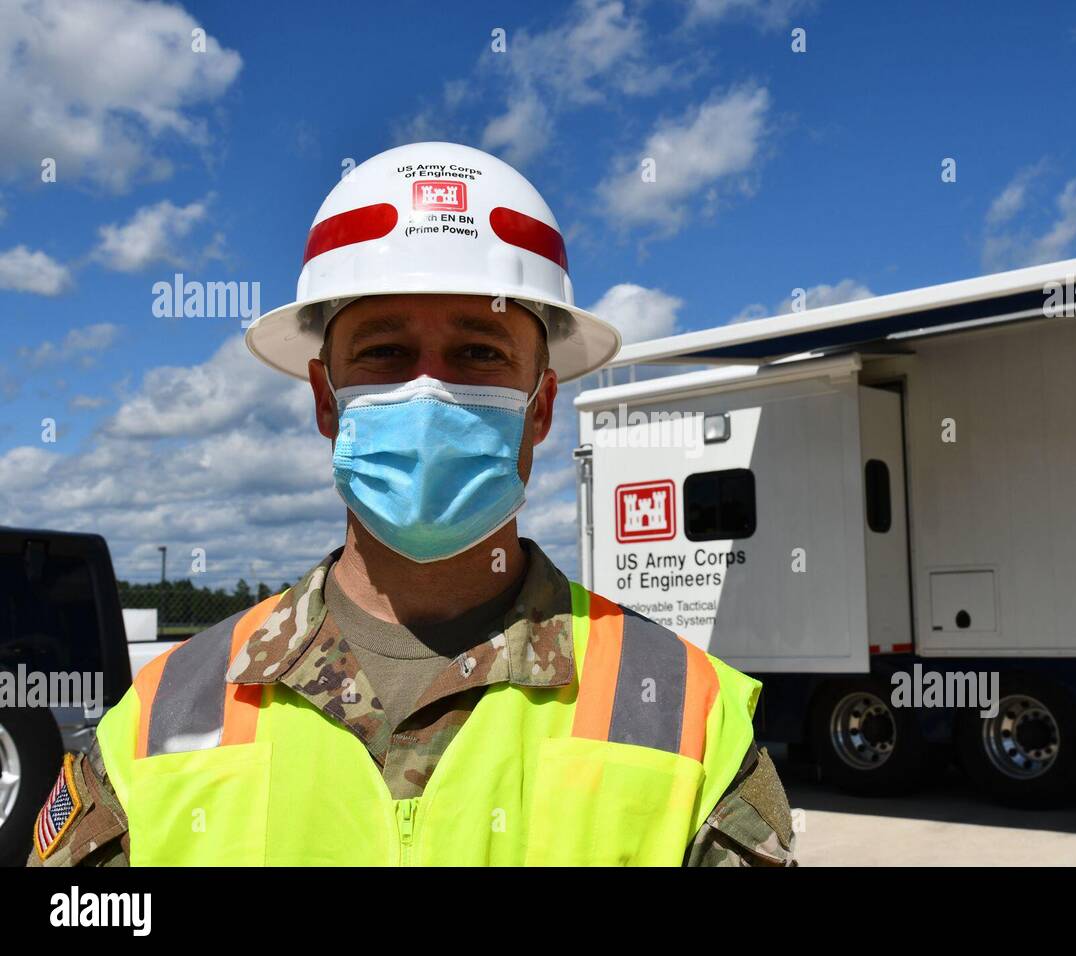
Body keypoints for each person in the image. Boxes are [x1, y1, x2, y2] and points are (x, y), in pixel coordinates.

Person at [28, 142, 795, 867]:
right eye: (386, 352)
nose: (429, 389)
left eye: (478, 353)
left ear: (540, 407)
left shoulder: (690, 722)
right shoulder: (159, 720)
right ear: (326, 400)